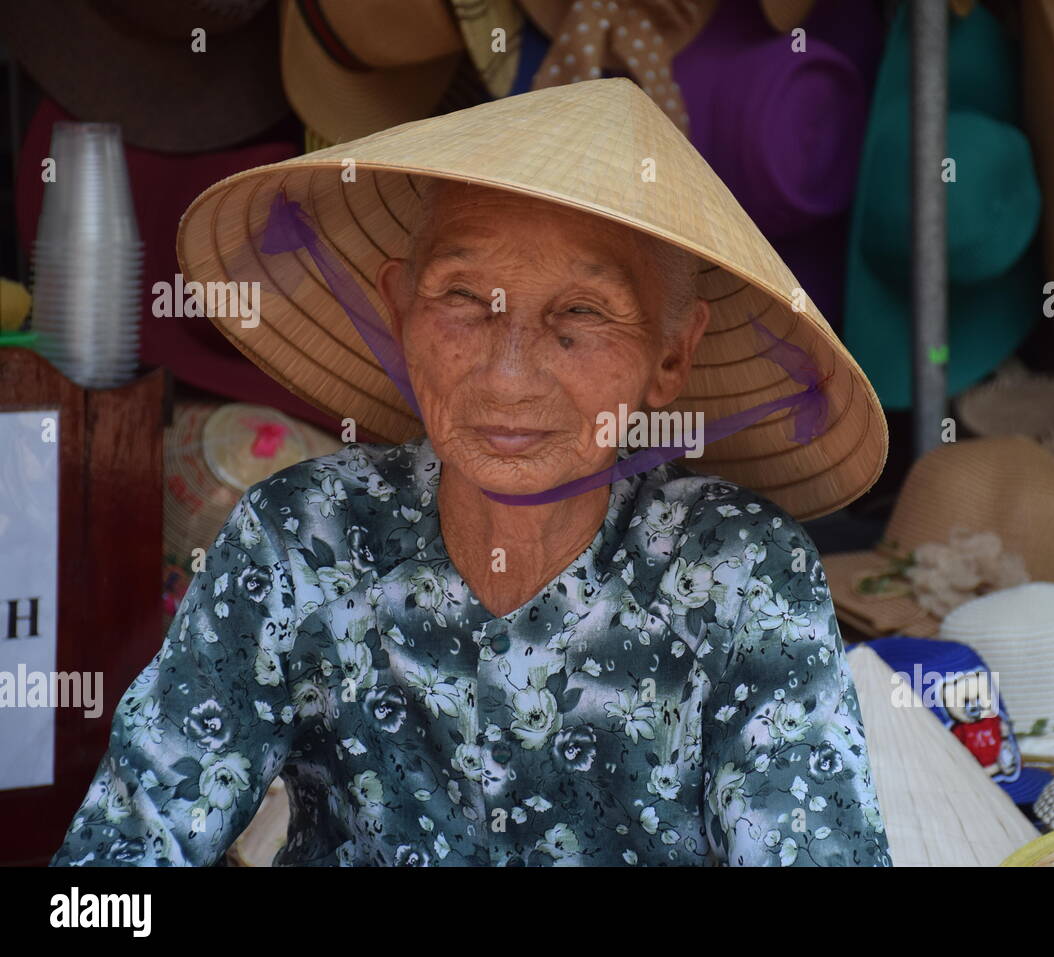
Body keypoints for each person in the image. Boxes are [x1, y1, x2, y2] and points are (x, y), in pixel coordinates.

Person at [50, 78, 892, 867]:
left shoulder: (738, 573)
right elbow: (121, 855)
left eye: (583, 313)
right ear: (398, 307)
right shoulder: (300, 539)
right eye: (463, 298)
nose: (509, 376)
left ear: (670, 358)